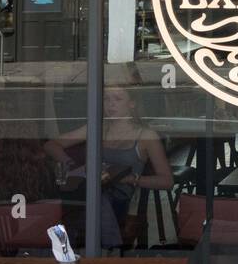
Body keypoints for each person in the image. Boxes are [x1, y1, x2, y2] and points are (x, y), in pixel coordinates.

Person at [45, 85, 174, 243]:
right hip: (87, 191)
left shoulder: (146, 136)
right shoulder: (95, 128)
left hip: (120, 200)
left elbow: (167, 181)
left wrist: (133, 179)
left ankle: (101, 246)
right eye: (106, 99)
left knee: (91, 201)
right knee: (71, 199)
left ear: (131, 104)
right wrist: (70, 163)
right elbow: (51, 145)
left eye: (117, 99)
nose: (110, 104)